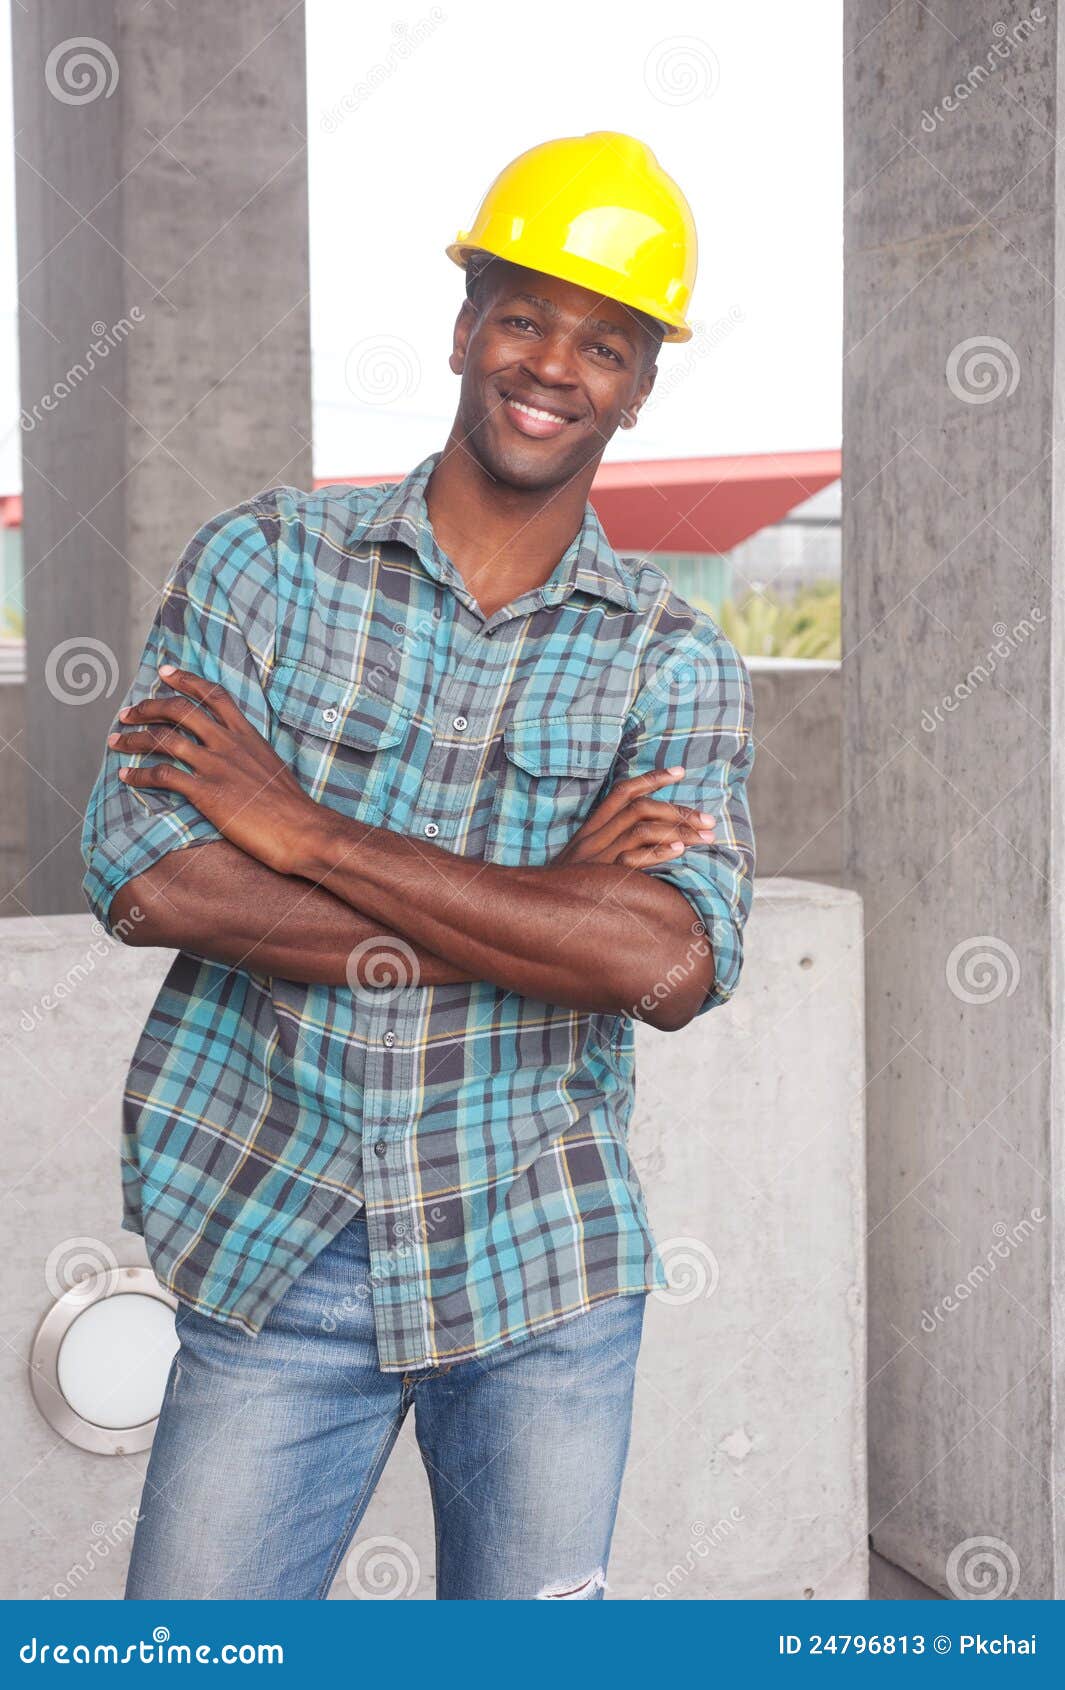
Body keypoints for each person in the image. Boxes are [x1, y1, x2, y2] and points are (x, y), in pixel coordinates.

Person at [80, 130, 756, 1601]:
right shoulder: (265, 563)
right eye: (523, 316)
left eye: (603, 341)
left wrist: (310, 833)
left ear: (637, 387)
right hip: (278, 1228)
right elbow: (149, 877)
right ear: (464, 327)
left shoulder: (668, 654)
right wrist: (550, 903)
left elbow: (666, 962)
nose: (550, 365)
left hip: (541, 1259)